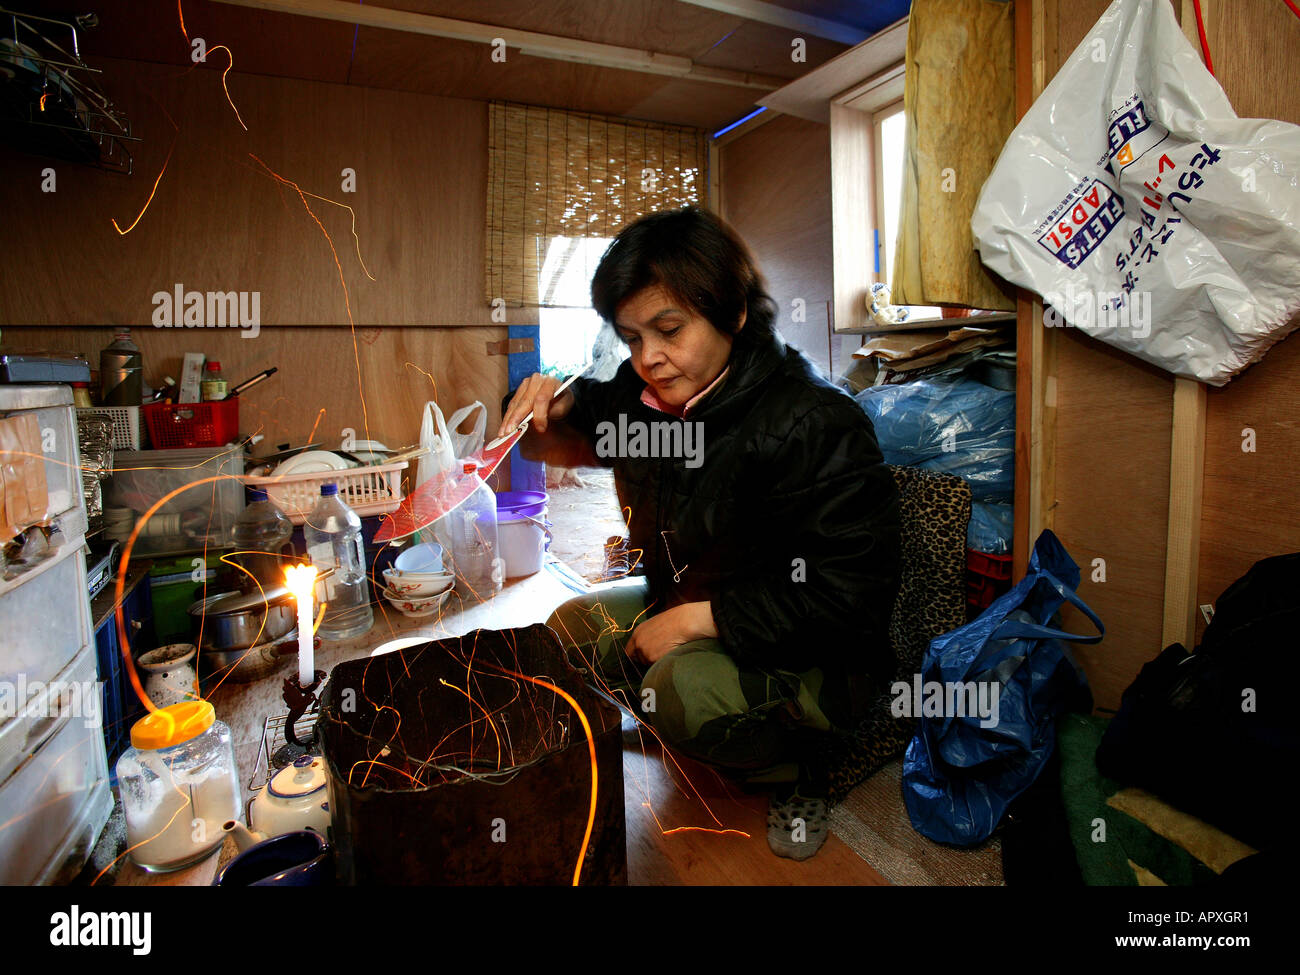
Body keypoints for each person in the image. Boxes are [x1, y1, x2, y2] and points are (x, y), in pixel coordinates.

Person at [498, 206, 901, 860]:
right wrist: (538, 406)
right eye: (631, 337)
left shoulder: (813, 422)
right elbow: (570, 432)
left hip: (814, 653)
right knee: (571, 629)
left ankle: (804, 765)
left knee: (675, 692)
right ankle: (685, 714)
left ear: (734, 313)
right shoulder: (646, 396)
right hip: (696, 603)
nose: (648, 357)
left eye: (668, 329)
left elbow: (847, 597)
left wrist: (694, 621)